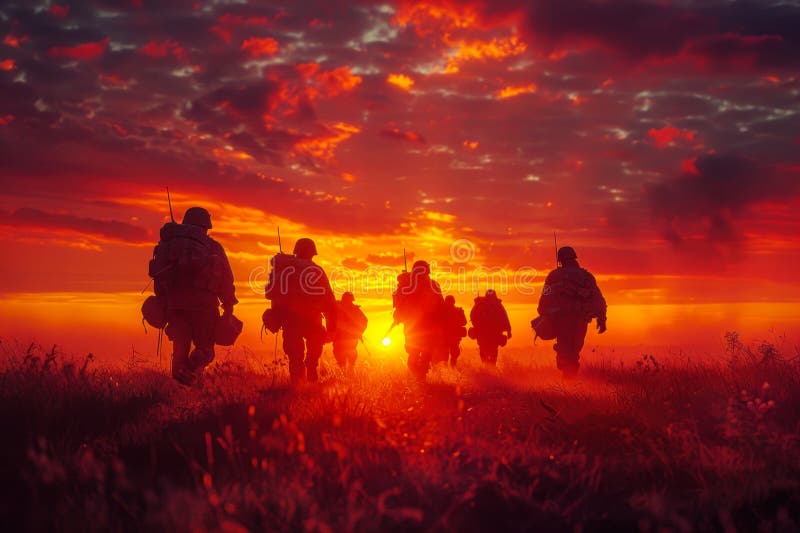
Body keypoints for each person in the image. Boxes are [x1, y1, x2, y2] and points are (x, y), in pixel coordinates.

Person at [149, 207, 237, 386]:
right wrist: (228, 305)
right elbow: (226, 278)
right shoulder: (212, 246)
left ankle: (184, 382)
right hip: (204, 308)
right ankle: (192, 375)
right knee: (205, 350)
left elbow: (159, 277)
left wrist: (165, 301)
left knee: (180, 349)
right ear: (205, 226)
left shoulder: (168, 245)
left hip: (175, 306)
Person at [265, 238, 337, 384]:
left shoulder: (284, 269)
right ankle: (311, 377)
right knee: (313, 352)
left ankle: (297, 386)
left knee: (295, 355)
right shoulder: (317, 270)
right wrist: (332, 327)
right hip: (312, 318)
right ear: (312, 253)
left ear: (296, 251)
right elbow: (329, 300)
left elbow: (271, 294)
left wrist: (277, 314)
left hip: (290, 320)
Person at [537, 246, 607, 378]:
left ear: (560, 260)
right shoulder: (586, 276)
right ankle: (570, 380)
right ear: (574, 258)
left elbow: (544, 298)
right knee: (574, 351)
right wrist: (602, 319)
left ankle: (568, 381)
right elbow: (598, 298)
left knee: (564, 350)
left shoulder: (553, 276)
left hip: (561, 320)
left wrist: (543, 314)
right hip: (580, 320)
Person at [393, 259, 444, 378]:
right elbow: (441, 304)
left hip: (415, 325)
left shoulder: (407, 284)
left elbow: (398, 304)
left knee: (416, 352)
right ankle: (419, 376)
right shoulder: (432, 285)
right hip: (424, 325)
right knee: (419, 352)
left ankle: (419, 376)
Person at [469, 290, 512, 366]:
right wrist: (508, 331)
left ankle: (486, 370)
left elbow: (472, 315)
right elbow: (505, 317)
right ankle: (490, 369)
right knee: (492, 352)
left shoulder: (480, 304)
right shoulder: (497, 305)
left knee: (484, 350)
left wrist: (477, 327)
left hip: (484, 333)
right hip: (493, 334)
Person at [333, 292, 368, 370]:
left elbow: (364, 321)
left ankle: (346, 371)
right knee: (348, 354)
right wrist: (359, 332)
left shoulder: (338, 308)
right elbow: (364, 321)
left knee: (345, 353)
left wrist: (359, 332)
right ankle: (347, 371)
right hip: (346, 337)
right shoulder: (354, 310)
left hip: (344, 337)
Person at [441, 295, 467, 367]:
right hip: (449, 337)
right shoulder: (457, 311)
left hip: (450, 337)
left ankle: (450, 369)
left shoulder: (443, 312)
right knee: (449, 354)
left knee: (451, 354)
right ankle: (449, 369)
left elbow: (464, 322)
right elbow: (464, 322)